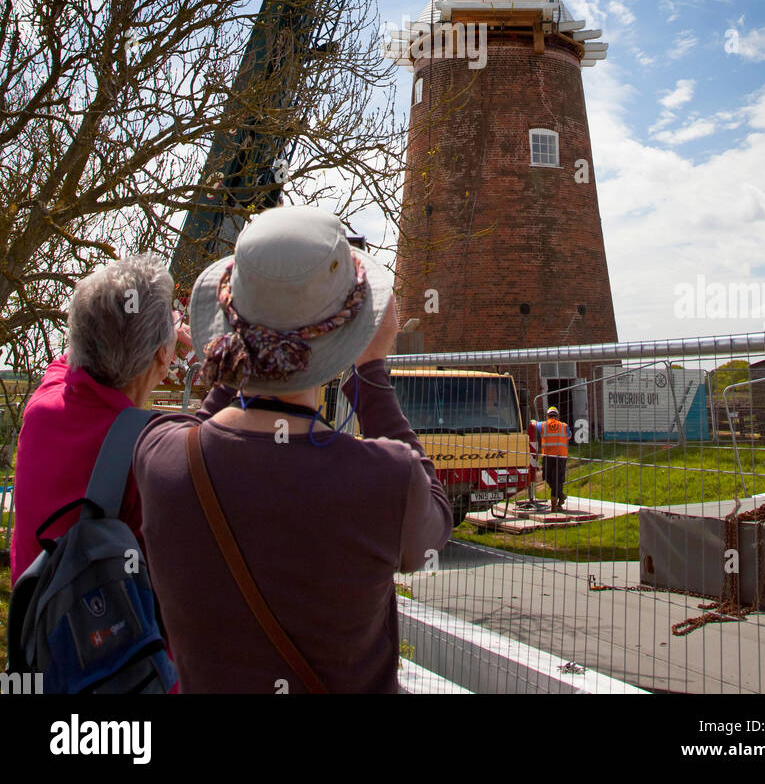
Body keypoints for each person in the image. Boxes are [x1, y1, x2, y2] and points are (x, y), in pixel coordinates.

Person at [133, 204, 453, 694]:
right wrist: (370, 371)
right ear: (352, 329)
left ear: (227, 322)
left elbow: (199, 428)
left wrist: (238, 357)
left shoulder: (159, 455)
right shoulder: (387, 479)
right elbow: (435, 525)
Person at [9, 254, 199, 585]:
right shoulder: (150, 453)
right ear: (161, 354)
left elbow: (93, 335)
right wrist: (208, 352)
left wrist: (152, 324)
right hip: (106, 618)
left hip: (33, 613)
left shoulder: (45, 400)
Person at [534, 404, 572, 512]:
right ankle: (560, 496)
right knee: (558, 479)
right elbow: (569, 436)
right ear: (557, 416)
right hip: (561, 456)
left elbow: (534, 424)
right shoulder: (564, 426)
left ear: (547, 416)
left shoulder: (543, 425)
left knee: (547, 477)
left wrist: (533, 421)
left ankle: (554, 504)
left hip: (548, 456)